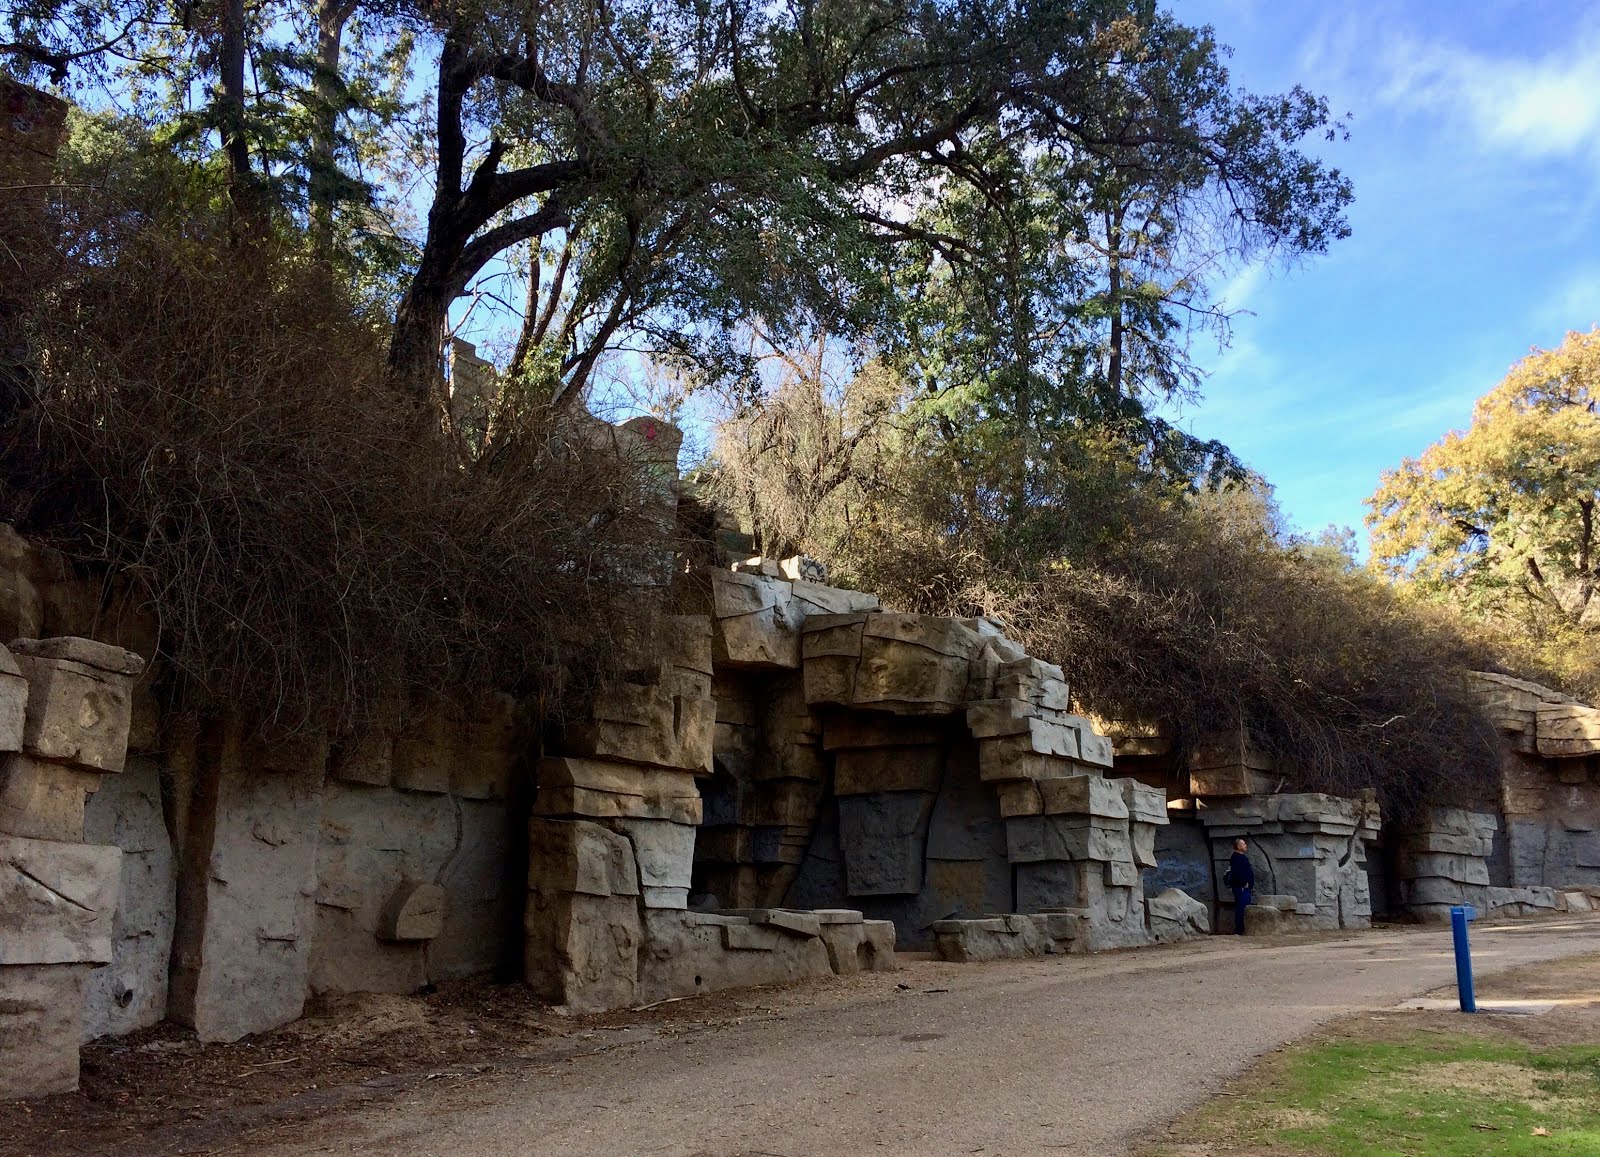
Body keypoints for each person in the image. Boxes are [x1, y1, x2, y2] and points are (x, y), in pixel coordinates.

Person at [1229, 838, 1255, 935]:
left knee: (1244, 908)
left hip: (1245, 888)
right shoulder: (1236, 858)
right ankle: (1239, 930)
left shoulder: (1241, 857)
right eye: (1243, 844)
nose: (1246, 846)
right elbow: (1237, 873)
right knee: (1241, 909)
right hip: (1241, 887)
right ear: (1239, 846)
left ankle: (1242, 929)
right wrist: (1244, 883)